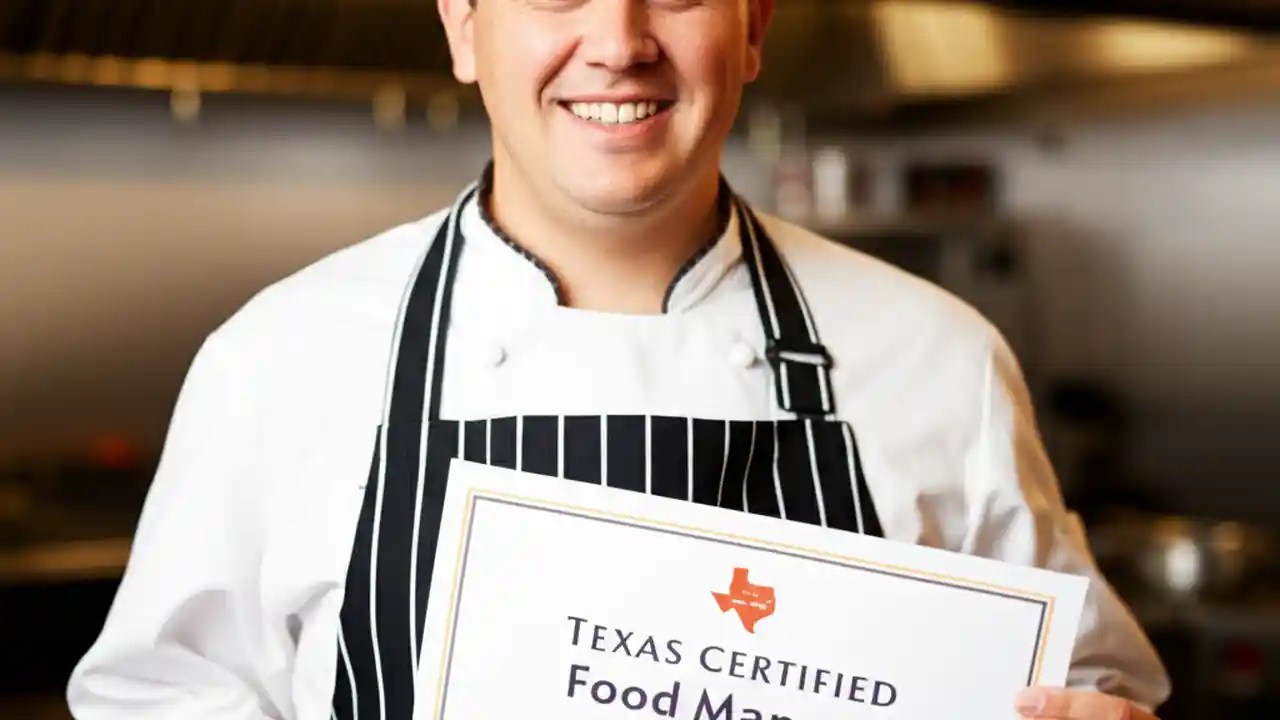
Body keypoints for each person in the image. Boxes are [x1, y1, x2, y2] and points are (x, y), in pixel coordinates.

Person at [66, 1, 1170, 718]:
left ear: (752, 27)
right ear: (461, 26)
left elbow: (1084, 679)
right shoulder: (280, 359)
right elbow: (157, 700)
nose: (618, 40)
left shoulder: (937, 358)